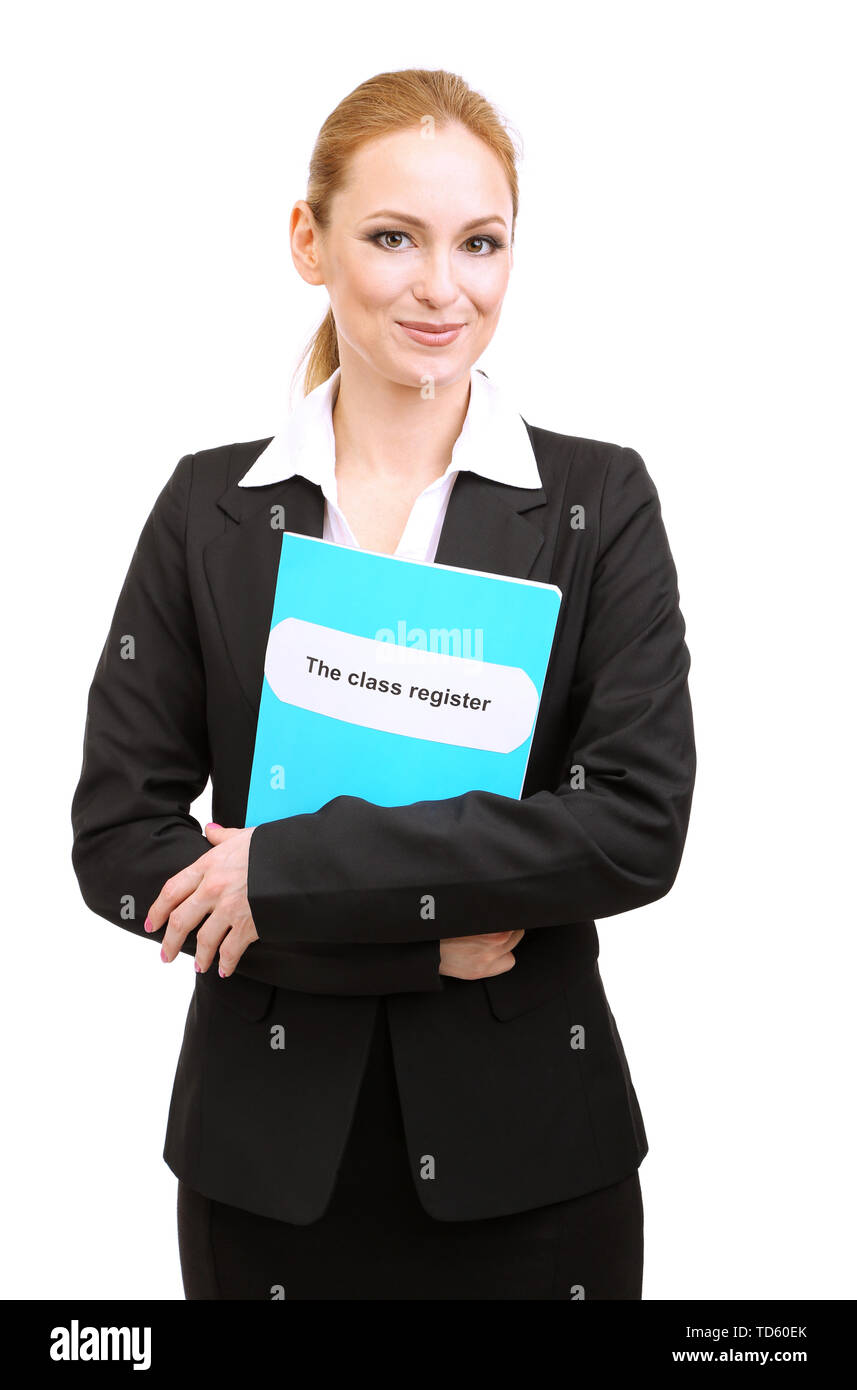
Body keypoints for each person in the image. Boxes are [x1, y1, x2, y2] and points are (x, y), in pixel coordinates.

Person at [70, 67, 696, 1300]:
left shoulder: (595, 502)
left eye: (479, 243)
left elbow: (629, 828)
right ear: (309, 243)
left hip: (533, 1171)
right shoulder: (209, 509)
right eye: (392, 237)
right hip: (265, 1173)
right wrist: (408, 946)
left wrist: (285, 878)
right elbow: (120, 845)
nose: (440, 285)